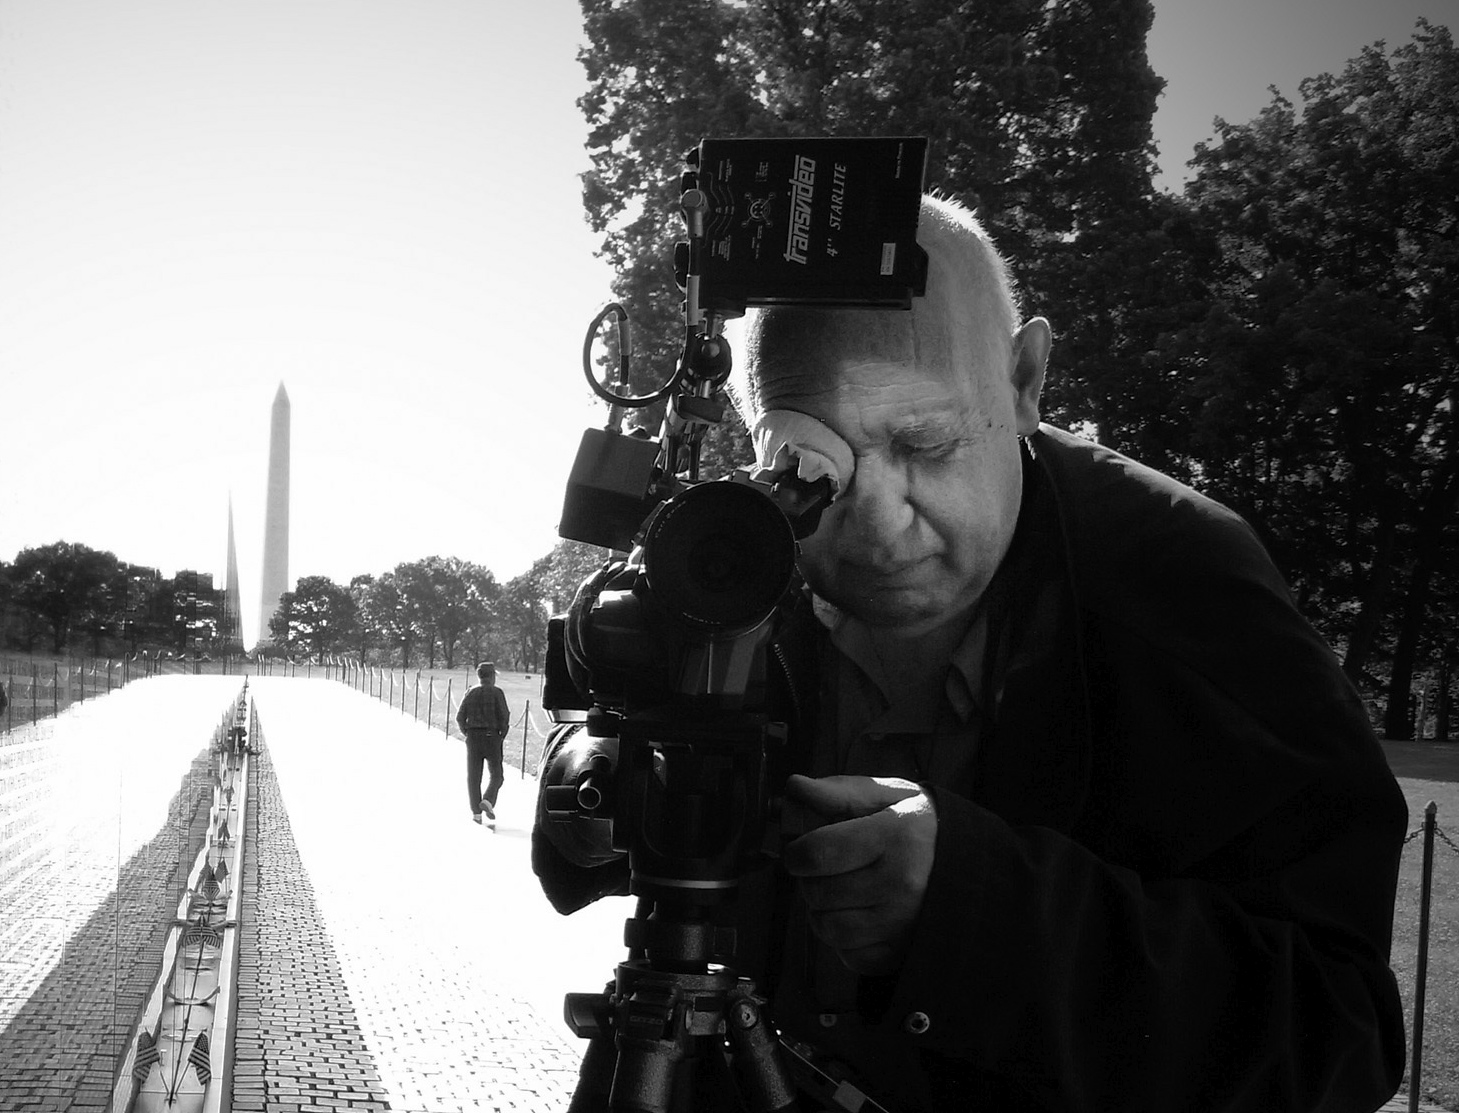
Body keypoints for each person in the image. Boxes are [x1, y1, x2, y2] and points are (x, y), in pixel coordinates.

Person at [533, 195, 1407, 1111]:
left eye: (927, 442)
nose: (874, 521)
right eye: (809, 467)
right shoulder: (739, 552)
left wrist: (974, 911)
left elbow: (1337, 1025)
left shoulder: (1177, 577)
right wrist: (592, 786)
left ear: (1025, 379)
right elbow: (612, 714)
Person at [456, 662, 509, 824]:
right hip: (491, 736)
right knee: (497, 775)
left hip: (472, 737)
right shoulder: (497, 692)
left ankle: (476, 812)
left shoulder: (470, 692)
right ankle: (487, 800)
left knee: (473, 776)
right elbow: (504, 717)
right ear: (492, 676)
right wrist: (501, 735)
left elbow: (460, 717)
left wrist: (467, 733)